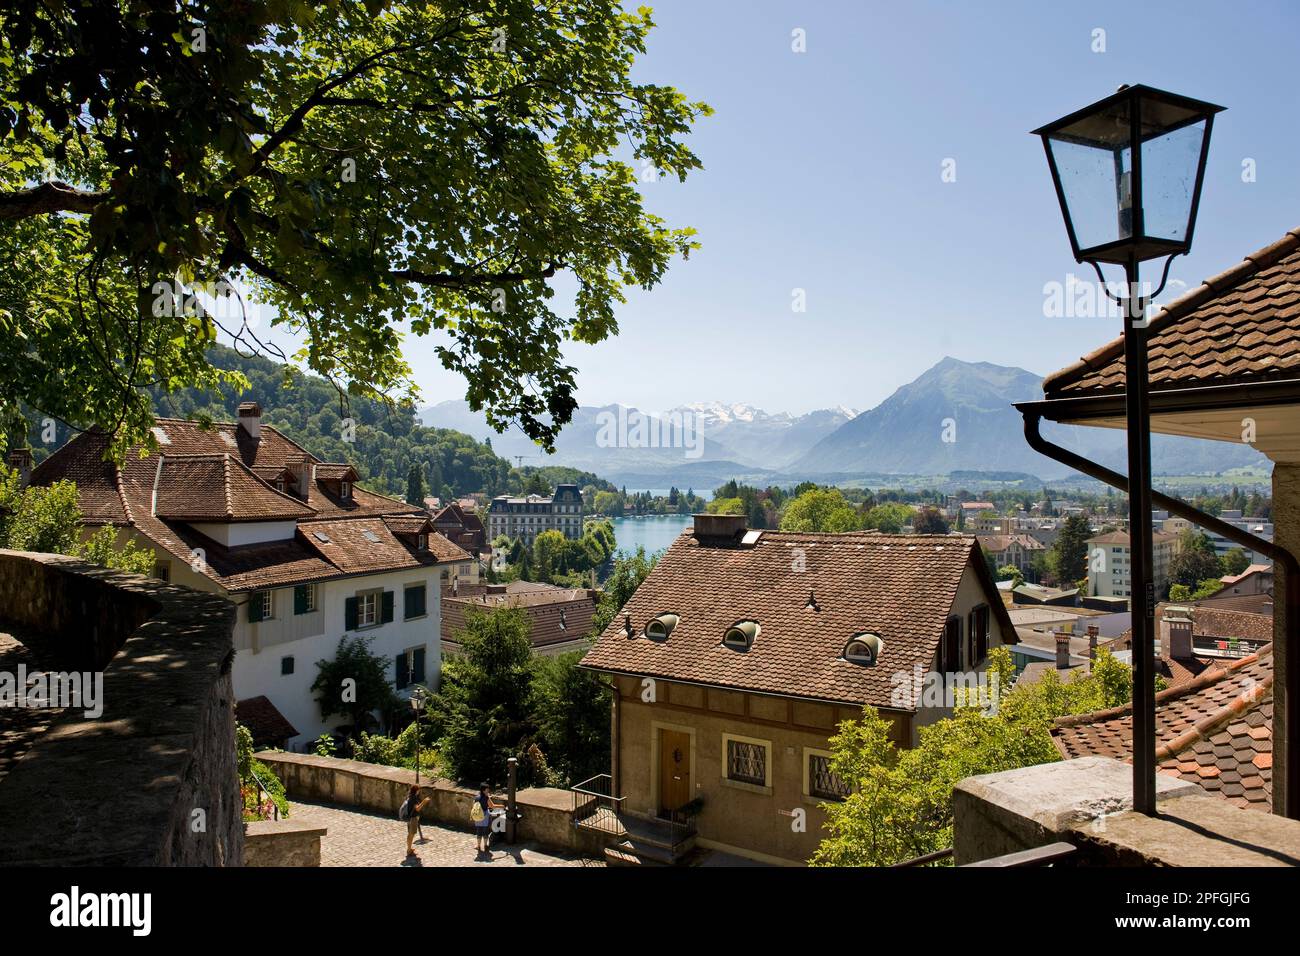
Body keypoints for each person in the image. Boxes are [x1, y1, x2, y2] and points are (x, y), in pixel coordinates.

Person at [400, 785, 431, 857]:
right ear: (417, 790)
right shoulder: (413, 799)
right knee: (411, 834)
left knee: (410, 834)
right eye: (418, 790)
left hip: (409, 818)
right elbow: (417, 808)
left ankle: (409, 849)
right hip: (413, 818)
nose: (419, 791)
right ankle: (409, 850)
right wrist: (424, 801)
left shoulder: (409, 796)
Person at [472, 782, 499, 855]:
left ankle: (478, 846)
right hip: (484, 817)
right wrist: (502, 806)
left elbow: (474, 807)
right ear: (484, 790)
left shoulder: (476, 797)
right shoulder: (486, 798)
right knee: (485, 831)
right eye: (487, 789)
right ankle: (485, 845)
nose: (488, 790)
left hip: (477, 817)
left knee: (478, 831)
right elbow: (492, 806)